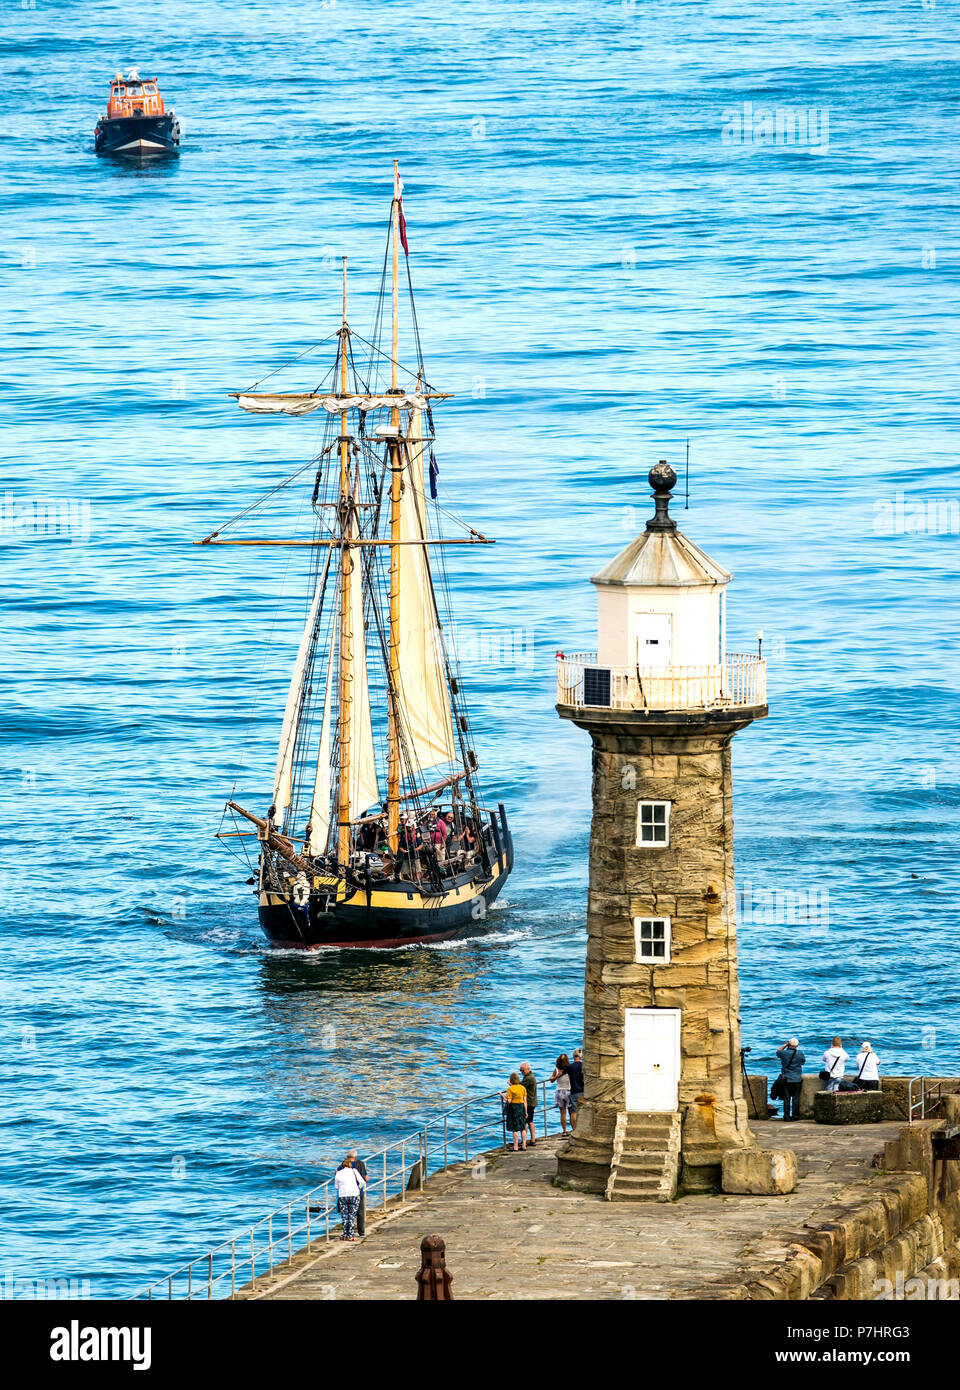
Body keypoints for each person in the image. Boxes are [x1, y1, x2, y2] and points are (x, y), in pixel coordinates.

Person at [334, 1154, 366, 1241]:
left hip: (343, 1196)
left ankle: (345, 1234)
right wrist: (358, 1188)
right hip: (354, 1195)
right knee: (352, 1215)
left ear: (342, 1165)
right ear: (349, 1165)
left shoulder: (338, 1173)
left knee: (345, 1215)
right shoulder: (354, 1171)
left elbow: (336, 1187)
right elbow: (362, 1182)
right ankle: (351, 1235)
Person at [775, 1037, 805, 1120]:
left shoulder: (784, 1053)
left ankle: (787, 1116)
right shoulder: (800, 1053)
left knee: (786, 1098)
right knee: (796, 1098)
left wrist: (785, 1044)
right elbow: (803, 1062)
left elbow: (778, 1051)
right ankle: (795, 1116)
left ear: (789, 1044)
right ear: (797, 1045)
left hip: (787, 1079)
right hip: (797, 1079)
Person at [500, 1072, 528, 1151]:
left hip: (514, 1108)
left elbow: (509, 1101)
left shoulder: (510, 1089)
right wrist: (526, 1112)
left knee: (515, 1129)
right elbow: (525, 1101)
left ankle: (515, 1146)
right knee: (523, 1127)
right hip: (521, 1107)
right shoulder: (523, 1088)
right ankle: (524, 1145)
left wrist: (502, 1095)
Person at [549, 1054, 573, 1135]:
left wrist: (555, 1077)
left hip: (559, 1092)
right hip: (569, 1091)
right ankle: (574, 1129)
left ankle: (564, 1131)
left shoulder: (556, 1070)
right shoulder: (570, 1068)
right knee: (571, 1112)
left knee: (563, 1113)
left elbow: (551, 1080)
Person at [566, 1049, 584, 1131]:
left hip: (574, 1091)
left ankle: (574, 1129)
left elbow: (561, 1073)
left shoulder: (570, 1067)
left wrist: (553, 1078)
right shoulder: (583, 1065)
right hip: (583, 1091)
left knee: (574, 1111)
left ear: (573, 1056)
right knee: (583, 1111)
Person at [519, 1062, 537, 1146]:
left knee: (526, 1122)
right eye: (520, 1071)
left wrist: (511, 1084)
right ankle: (532, 1139)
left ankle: (524, 1141)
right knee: (530, 1121)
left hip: (529, 1102)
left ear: (528, 1069)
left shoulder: (528, 1078)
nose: (522, 1072)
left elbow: (520, 1087)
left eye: (523, 1070)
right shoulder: (530, 1076)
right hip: (532, 1101)